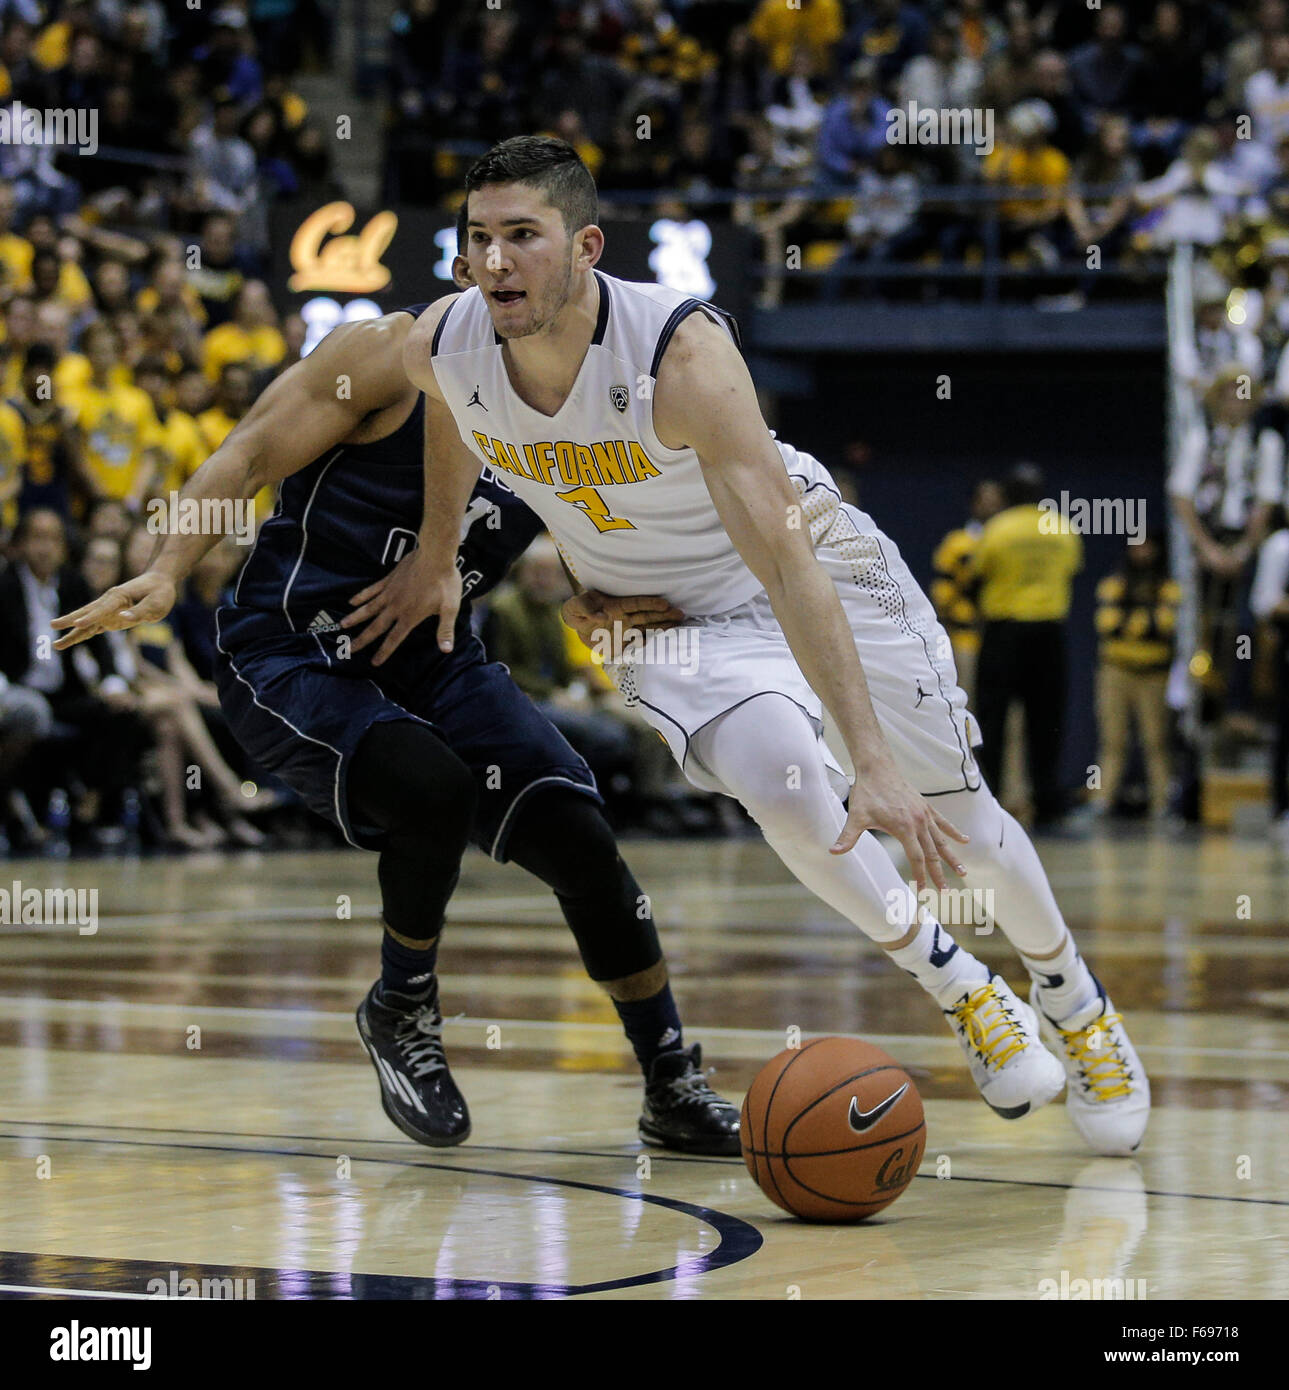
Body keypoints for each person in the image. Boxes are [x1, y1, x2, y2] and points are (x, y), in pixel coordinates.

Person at [392, 136, 1150, 1155]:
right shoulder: (455, 344)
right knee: (784, 782)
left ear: (583, 246)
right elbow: (455, 412)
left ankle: (1070, 992)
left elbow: (789, 568)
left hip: (810, 569)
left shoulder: (679, 350)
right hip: (672, 618)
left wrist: (873, 763)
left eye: (519, 236)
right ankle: (961, 987)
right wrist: (445, 554)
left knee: (951, 819)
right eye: (476, 238)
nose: (492, 261)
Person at [52, 267, 740, 1156]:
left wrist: (599, 599)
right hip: (294, 649)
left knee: (578, 832)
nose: (508, 281)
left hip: (433, 658)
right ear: (462, 278)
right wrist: (168, 567)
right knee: (432, 787)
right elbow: (249, 453)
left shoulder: (577, 409)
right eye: (487, 255)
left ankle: (668, 1081)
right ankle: (402, 1005)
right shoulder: (377, 358)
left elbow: (584, 545)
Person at [972, 463, 1083, 829]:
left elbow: (979, 572)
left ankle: (989, 802)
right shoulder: (1062, 528)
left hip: (1004, 632)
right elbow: (1071, 569)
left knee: (992, 719)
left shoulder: (997, 529)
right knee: (1046, 721)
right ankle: (1047, 804)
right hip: (1049, 634)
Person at [1093, 534, 1180, 820]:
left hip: (1153, 674)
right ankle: (1101, 800)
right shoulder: (1113, 584)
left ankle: (1162, 802)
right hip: (1115, 671)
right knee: (1112, 739)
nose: (1141, 553)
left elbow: (1164, 627)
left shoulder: (1168, 588)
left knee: (1156, 740)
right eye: (1135, 547)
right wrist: (1146, 620)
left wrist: (1133, 622)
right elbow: (1108, 625)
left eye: (1147, 546)